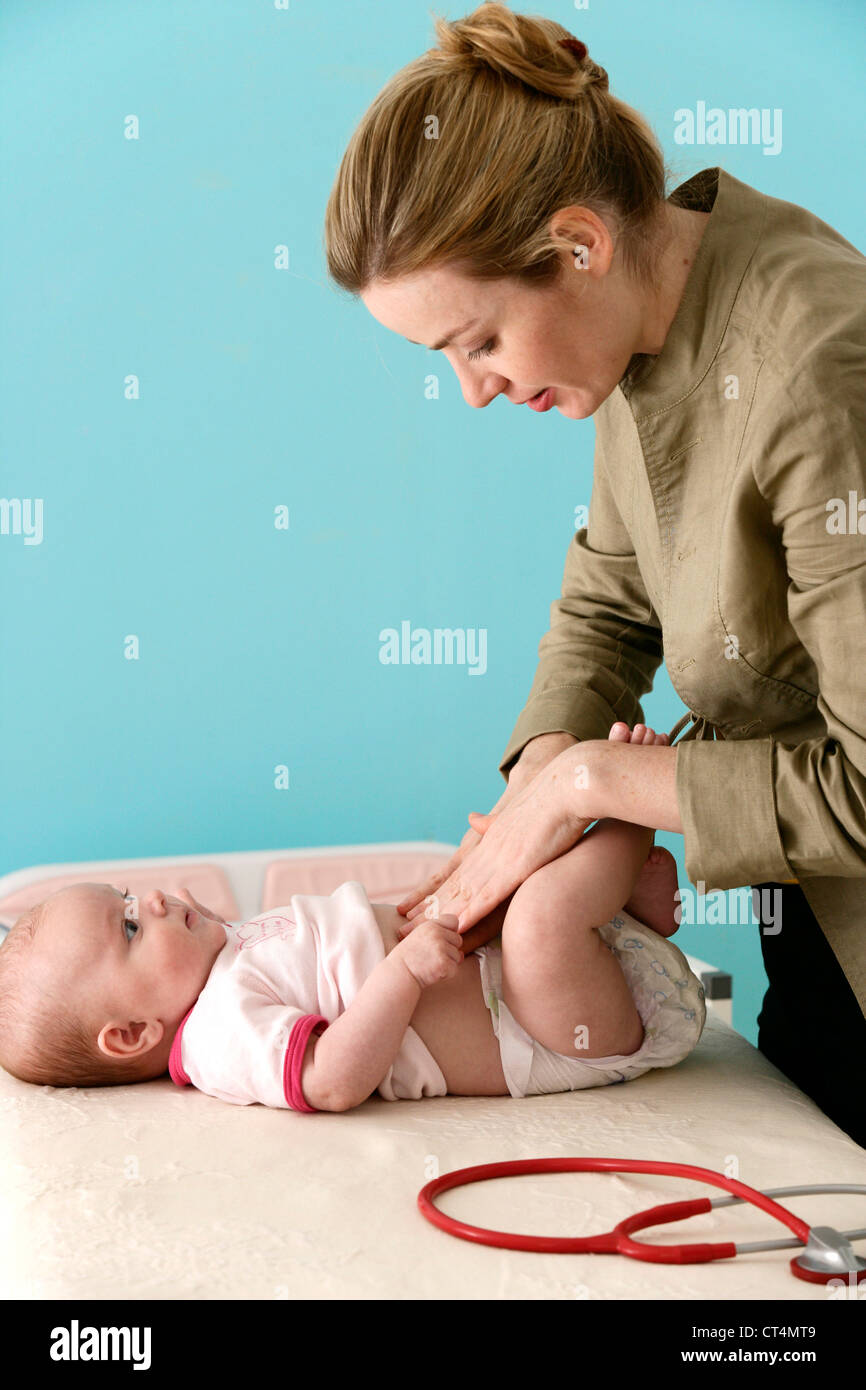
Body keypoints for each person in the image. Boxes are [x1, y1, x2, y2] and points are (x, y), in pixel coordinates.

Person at [323, 4, 866, 1146]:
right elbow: (607, 601)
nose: (470, 388)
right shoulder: (644, 327)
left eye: (474, 341)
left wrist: (584, 790)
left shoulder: (815, 367)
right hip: (805, 917)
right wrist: (530, 790)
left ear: (577, 242)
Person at [0, 728, 705, 1109]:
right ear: (130, 1035)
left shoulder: (227, 959)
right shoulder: (218, 1036)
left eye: (127, 896)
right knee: (540, 921)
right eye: (128, 929)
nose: (149, 901)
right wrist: (400, 972)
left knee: (524, 845)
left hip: (527, 984)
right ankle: (625, 814)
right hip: (551, 1034)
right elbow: (330, 1080)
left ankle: (624, 906)